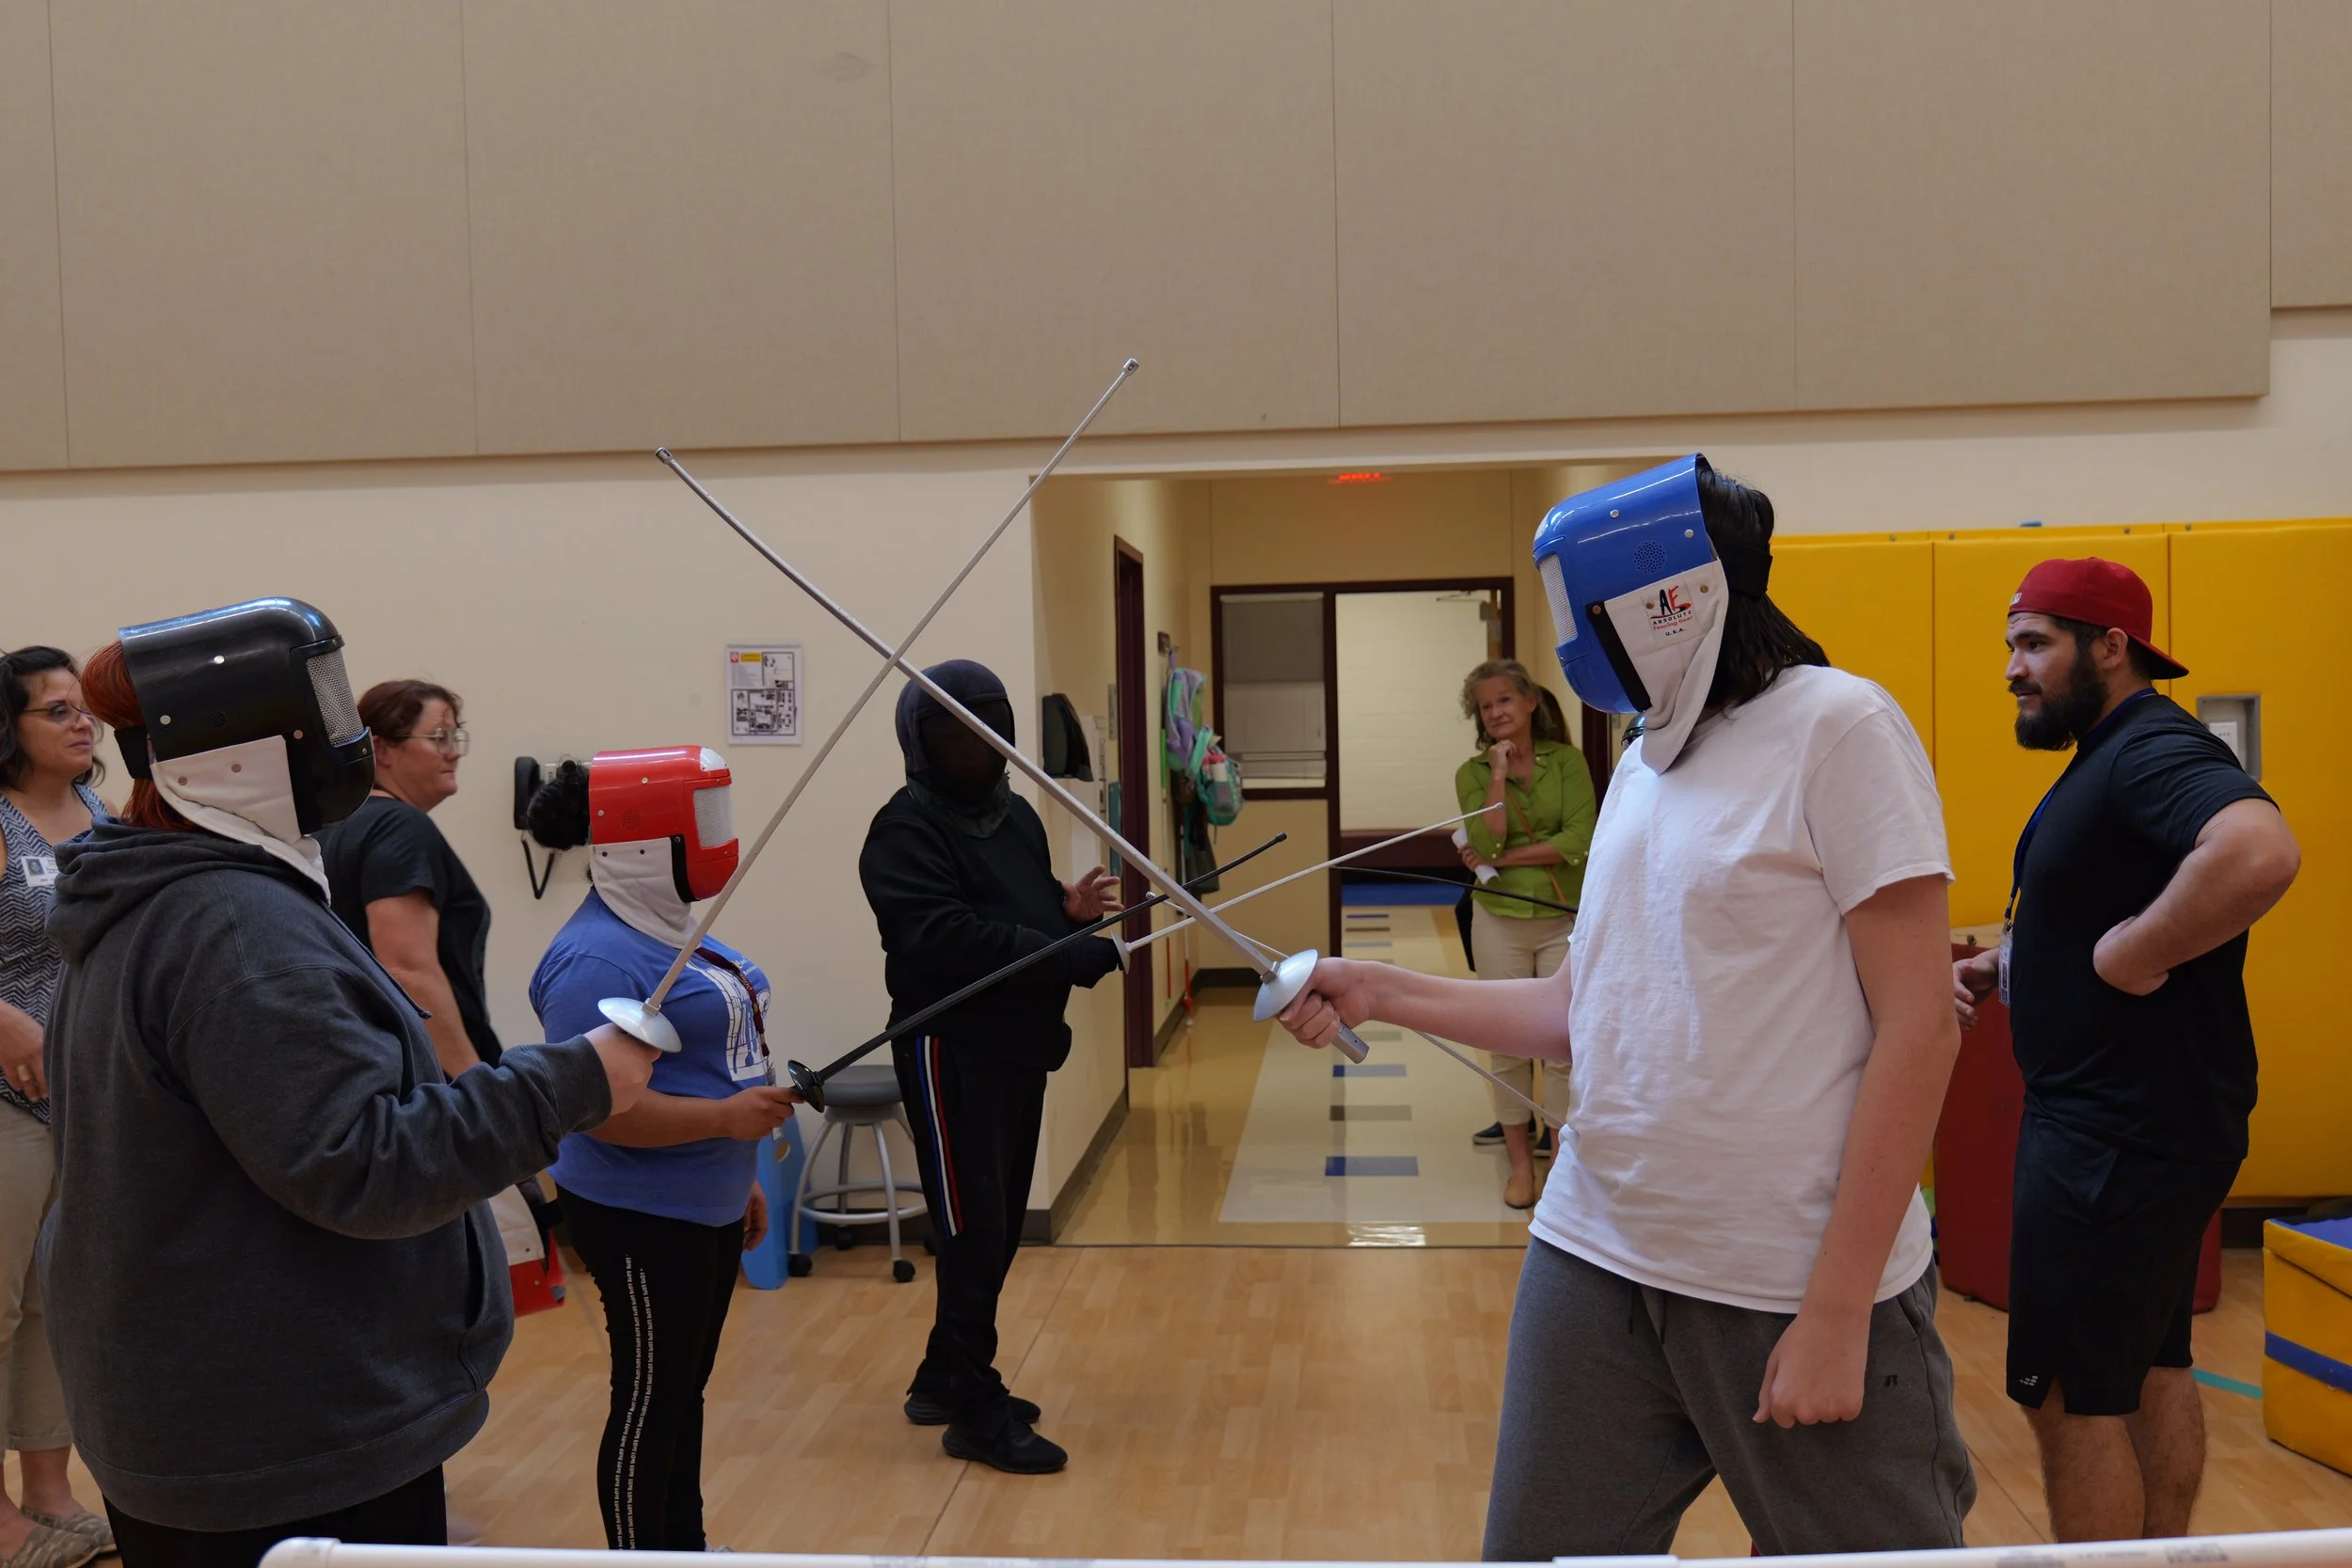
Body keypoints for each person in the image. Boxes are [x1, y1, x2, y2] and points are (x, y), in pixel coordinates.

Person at [1279, 457, 1974, 1557]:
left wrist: (1838, 1309)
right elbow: (1583, 1007)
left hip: (1785, 1273)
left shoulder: (1840, 727)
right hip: (1594, 1250)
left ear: (1672, 595)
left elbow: (1919, 1024)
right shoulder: (1650, 758)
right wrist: (1383, 989)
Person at [39, 600, 658, 1568]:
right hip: (277, 1432)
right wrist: (576, 1078)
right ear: (238, 750)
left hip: (223, 1411)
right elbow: (363, 1162)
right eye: (320, 708)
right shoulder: (234, 926)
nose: (344, 738)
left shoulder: (180, 889)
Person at [1953, 558, 2299, 1543]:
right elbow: (2097, 899)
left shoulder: (2148, 747)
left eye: (2034, 644)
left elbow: (2258, 850)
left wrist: (2130, 952)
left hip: (2115, 1134)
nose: (2013, 668)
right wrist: (2008, 964)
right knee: (2149, 1367)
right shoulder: (2109, 753)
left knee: (2070, 1395)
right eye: (2010, 645)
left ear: (2111, 648)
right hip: (2146, 1124)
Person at [522, 749, 795, 1552]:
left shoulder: (667, 925)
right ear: (645, 840)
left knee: (684, 1390)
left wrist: (737, 1172)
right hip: (640, 1213)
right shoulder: (597, 959)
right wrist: (723, 1127)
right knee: (650, 1395)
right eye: (700, 819)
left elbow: (710, 1065)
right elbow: (597, 1111)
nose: (717, 836)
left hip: (703, 1201)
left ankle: (686, 1548)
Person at [860, 660, 1121, 1476]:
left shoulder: (1014, 817)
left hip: (1016, 1044)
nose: (974, 745)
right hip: (949, 1048)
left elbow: (1016, 900)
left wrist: (1063, 911)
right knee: (973, 1229)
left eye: (985, 726)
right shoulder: (901, 830)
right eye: (953, 730)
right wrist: (1057, 951)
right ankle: (974, 1404)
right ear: (919, 740)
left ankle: (944, 1374)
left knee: (998, 1223)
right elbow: (942, 934)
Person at [0, 649, 111, 1568]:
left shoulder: (105, 815)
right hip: (5, 1101)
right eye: (57, 710)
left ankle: (48, 1494)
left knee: (55, 1304)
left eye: (84, 708)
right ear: (10, 727)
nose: (83, 722)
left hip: (85, 1100)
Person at [1454, 658, 1595, 1209]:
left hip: (1563, 918)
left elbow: (1579, 838)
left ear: (1531, 702)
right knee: (1506, 1045)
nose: (1496, 713)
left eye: (1504, 701)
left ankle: (1559, 1163)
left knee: (1561, 1048)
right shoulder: (1471, 774)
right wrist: (1495, 773)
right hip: (1500, 921)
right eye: (1486, 707)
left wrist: (1507, 855)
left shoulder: (1568, 763)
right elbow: (1483, 847)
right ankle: (1520, 1167)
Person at [321, 681, 501, 1076]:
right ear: (381, 749)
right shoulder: (400, 827)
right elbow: (407, 969)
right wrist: (477, 1088)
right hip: (421, 1077)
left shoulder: (326, 829)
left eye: (456, 737)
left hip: (359, 1064)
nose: (454, 752)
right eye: (439, 738)